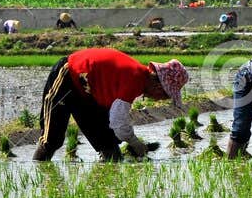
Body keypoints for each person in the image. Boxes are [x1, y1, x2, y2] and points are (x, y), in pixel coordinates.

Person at [33, 47, 189, 162]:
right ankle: (39, 174)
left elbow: (117, 119)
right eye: (164, 95)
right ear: (158, 85)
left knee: (109, 146)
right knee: (51, 140)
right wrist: (135, 143)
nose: (160, 99)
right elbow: (119, 122)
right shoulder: (134, 79)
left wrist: (133, 142)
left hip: (89, 93)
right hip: (67, 77)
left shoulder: (138, 80)